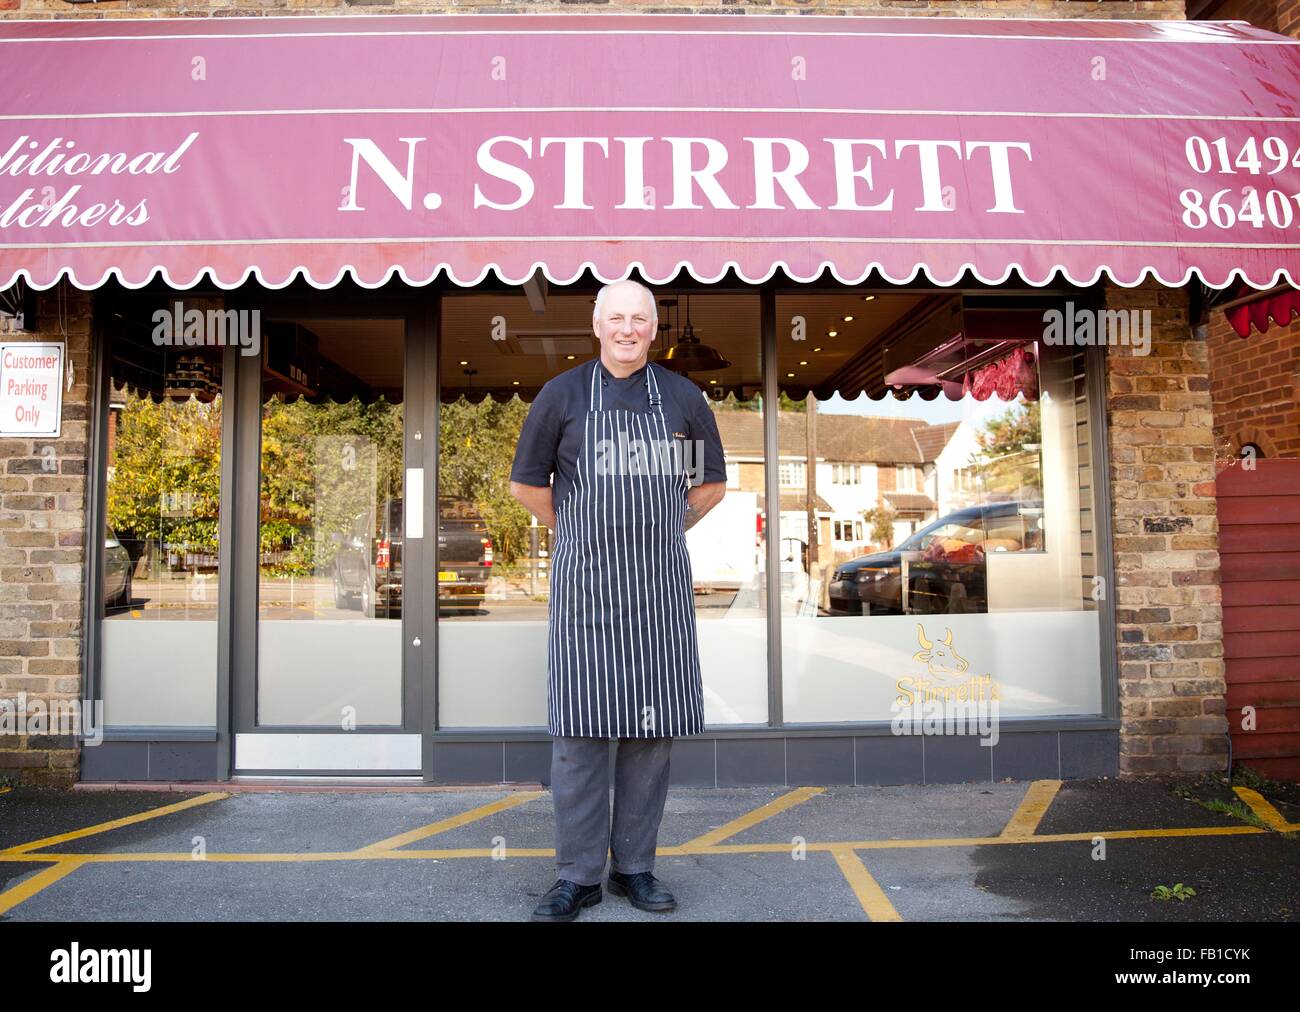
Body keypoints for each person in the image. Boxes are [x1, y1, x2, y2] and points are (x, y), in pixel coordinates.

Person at [509, 278, 727, 922]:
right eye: (617, 318)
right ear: (597, 325)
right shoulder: (563, 395)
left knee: (649, 735)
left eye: (640, 318)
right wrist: (582, 527)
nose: (628, 329)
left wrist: (661, 526)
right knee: (579, 734)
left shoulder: (683, 398)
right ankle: (577, 877)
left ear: (654, 330)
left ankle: (635, 868)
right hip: (585, 591)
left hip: (657, 591)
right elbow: (527, 485)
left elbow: (710, 485)